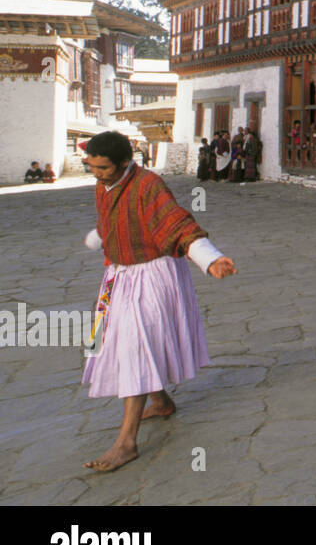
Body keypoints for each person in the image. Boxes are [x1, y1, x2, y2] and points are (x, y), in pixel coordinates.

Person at [79, 130, 236, 472]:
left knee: (135, 346)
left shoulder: (149, 185)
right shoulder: (102, 185)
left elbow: (176, 223)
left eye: (103, 167)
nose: (96, 173)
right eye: (91, 166)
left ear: (124, 163)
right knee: (109, 341)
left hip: (152, 273)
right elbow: (110, 222)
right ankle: (161, 400)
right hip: (118, 273)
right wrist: (100, 236)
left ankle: (126, 443)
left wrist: (209, 258)